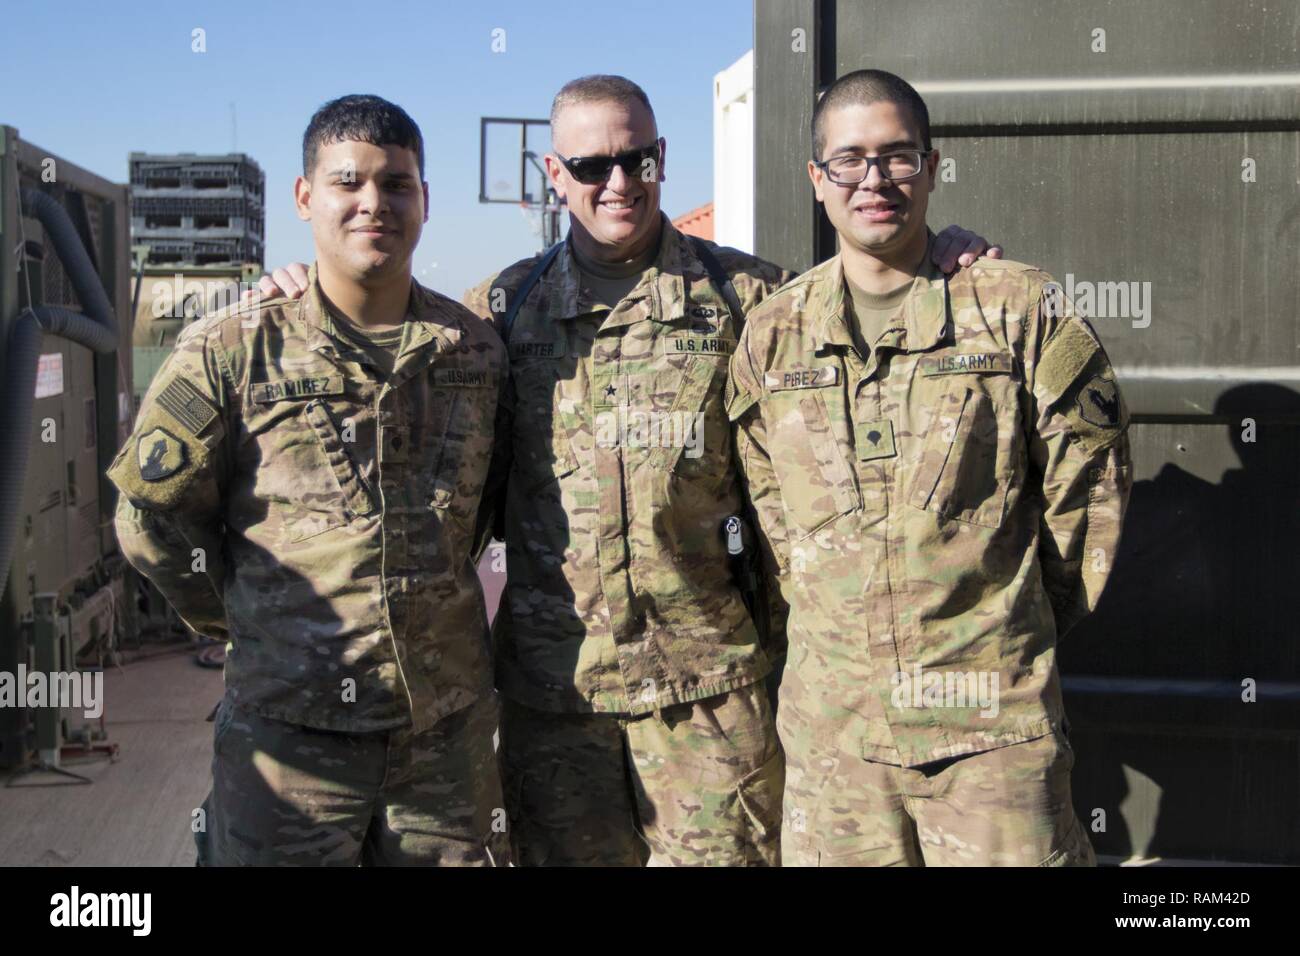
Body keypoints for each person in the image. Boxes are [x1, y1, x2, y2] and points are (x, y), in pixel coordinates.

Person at [259, 75, 997, 866]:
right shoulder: (498, 315)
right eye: (590, 167)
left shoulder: (751, 299)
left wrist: (944, 253)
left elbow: (875, 294)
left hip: (710, 697)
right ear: (554, 175)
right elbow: (389, 359)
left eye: (636, 161)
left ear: (661, 159)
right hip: (557, 704)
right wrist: (295, 293)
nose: (617, 183)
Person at [727, 69, 1131, 866]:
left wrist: (999, 636)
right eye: (849, 160)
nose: (874, 180)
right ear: (818, 179)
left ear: (932, 167)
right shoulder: (771, 339)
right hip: (835, 751)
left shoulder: (1020, 311)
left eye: (897, 156)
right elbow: (770, 524)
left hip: (991, 742)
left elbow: (1088, 510)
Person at [109, 94, 510, 866]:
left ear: (424, 199)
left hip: (443, 748)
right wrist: (242, 620)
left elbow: (483, 512)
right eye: (348, 182)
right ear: (305, 197)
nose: (374, 203)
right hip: (290, 744)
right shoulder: (232, 349)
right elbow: (151, 521)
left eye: (397, 184)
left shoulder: (475, 354)